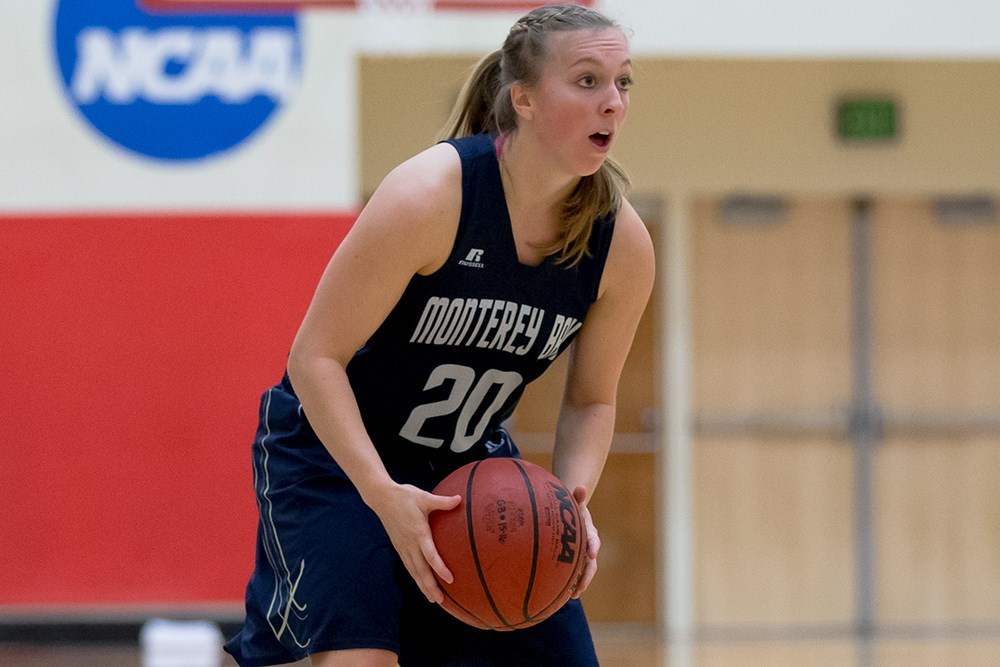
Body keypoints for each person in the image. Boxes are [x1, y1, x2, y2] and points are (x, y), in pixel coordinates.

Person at [224, 4, 654, 666]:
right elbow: (314, 358)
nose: (613, 103)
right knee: (361, 656)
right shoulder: (430, 196)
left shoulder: (621, 243)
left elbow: (591, 399)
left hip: (465, 464)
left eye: (622, 81)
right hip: (336, 459)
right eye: (588, 80)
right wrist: (380, 493)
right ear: (525, 100)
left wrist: (571, 499)